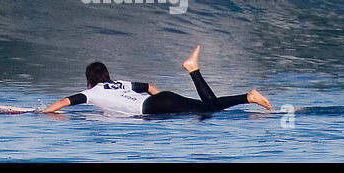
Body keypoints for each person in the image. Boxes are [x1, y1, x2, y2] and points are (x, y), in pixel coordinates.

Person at [38, 47, 271, 116]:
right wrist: (160, 98)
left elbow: (62, 102)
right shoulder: (121, 83)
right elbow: (148, 86)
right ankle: (248, 98)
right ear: (106, 75)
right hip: (160, 100)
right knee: (208, 108)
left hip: (155, 107)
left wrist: (41, 113)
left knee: (208, 110)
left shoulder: (91, 93)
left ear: (89, 80)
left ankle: (193, 69)